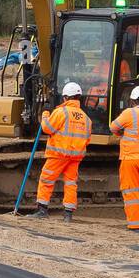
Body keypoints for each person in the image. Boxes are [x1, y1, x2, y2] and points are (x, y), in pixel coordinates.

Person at [30, 81, 92, 222]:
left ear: (65, 97)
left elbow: (47, 129)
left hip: (58, 155)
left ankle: (42, 210)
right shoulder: (86, 119)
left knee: (46, 180)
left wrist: (45, 115)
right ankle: (68, 214)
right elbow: (87, 139)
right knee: (70, 183)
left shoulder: (61, 112)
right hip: (75, 157)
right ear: (79, 98)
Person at [111, 84, 139, 232]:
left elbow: (113, 127)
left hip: (131, 159)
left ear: (132, 101)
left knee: (131, 193)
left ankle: (134, 225)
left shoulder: (129, 113)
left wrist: (121, 134)